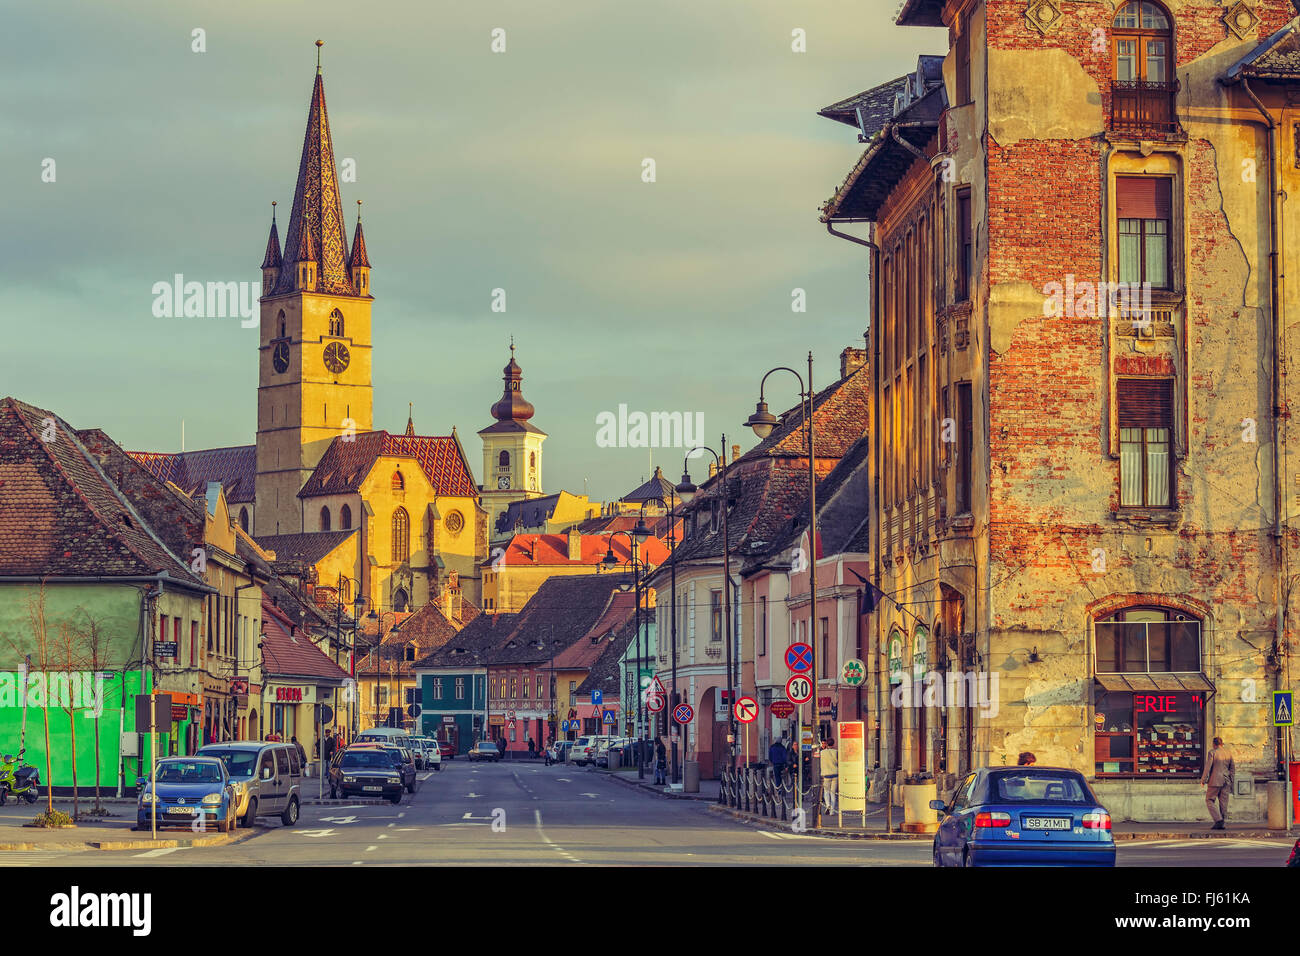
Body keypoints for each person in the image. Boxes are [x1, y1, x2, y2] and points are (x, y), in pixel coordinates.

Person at [1201, 736, 1235, 830]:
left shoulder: (1212, 752)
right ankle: (1222, 823)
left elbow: (1208, 767)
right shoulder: (1228, 753)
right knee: (1223, 803)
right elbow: (1232, 768)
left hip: (1215, 780)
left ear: (1214, 744)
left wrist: (1203, 780)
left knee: (1209, 800)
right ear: (1222, 743)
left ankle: (1218, 820)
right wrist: (1231, 779)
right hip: (1226, 781)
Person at [820, 738, 839, 813]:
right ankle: (832, 811)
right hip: (835, 774)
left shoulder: (822, 753)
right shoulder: (836, 752)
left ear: (827, 744)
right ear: (833, 744)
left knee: (826, 792)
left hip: (826, 774)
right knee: (833, 793)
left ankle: (828, 805)